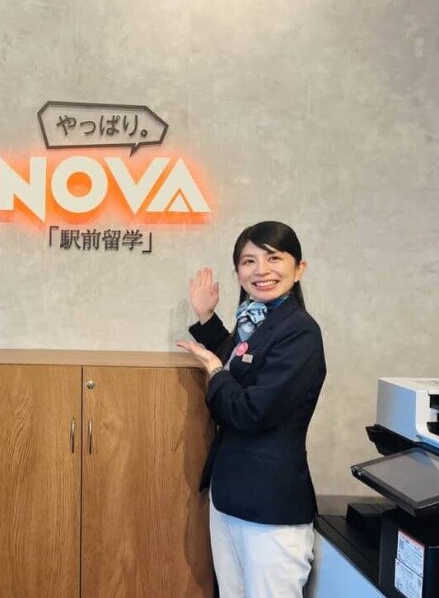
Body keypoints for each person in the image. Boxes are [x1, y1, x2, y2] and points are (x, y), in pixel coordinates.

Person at [176, 221, 326, 598]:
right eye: (249, 261)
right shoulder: (255, 322)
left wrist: (214, 371)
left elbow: (250, 410)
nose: (261, 270)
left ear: (299, 268)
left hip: (270, 508)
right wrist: (206, 319)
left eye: (273, 258)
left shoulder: (300, 331)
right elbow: (242, 361)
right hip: (230, 497)